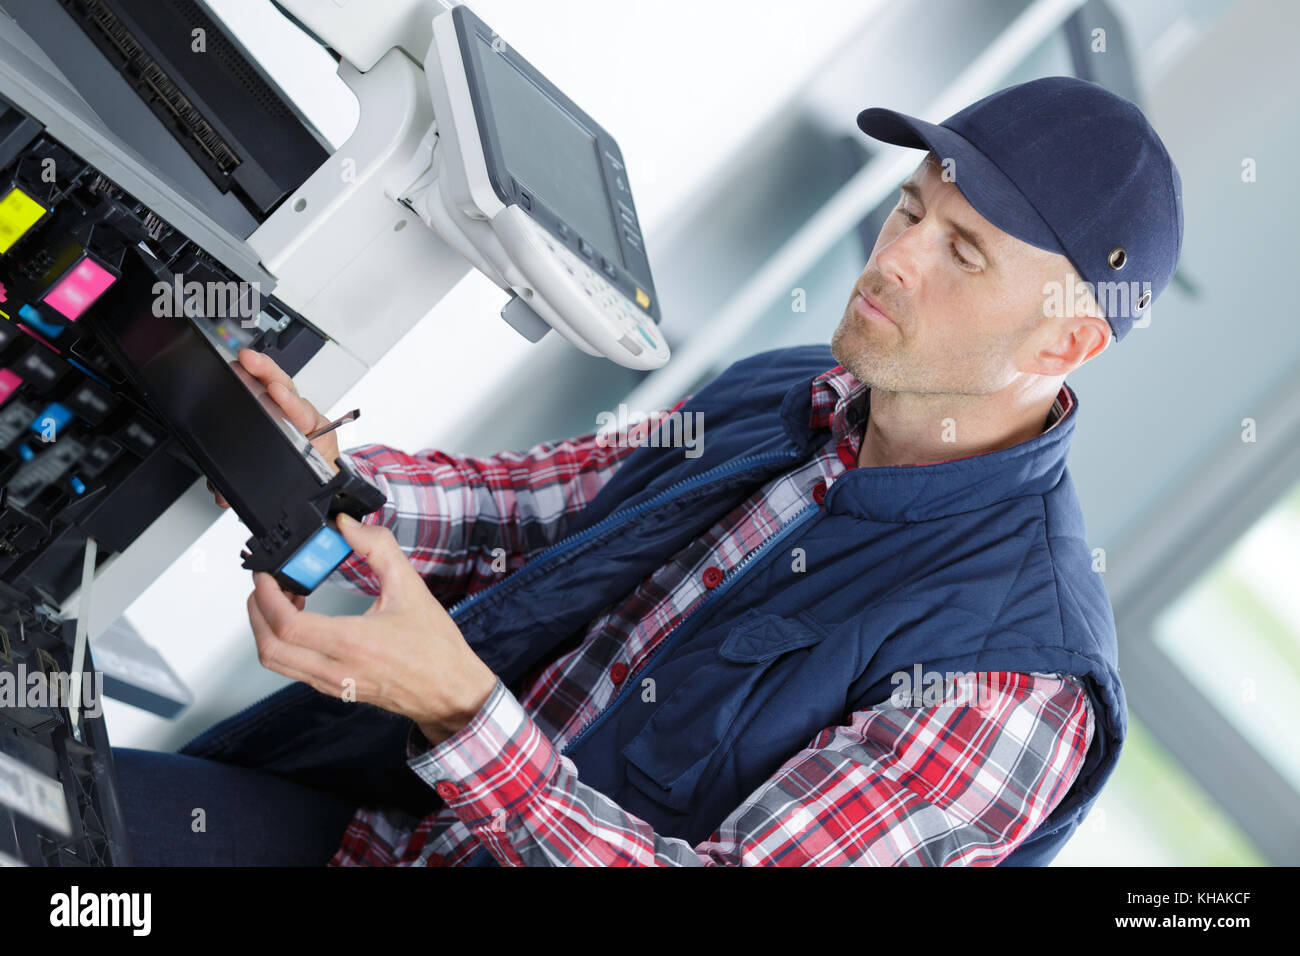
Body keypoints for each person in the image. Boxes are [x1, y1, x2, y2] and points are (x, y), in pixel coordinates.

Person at [116, 74, 1183, 866]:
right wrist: (321, 477)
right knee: (50, 817)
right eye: (912, 209)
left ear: (1066, 340)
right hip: (393, 836)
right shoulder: (793, 391)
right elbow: (537, 512)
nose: (895, 256)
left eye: (964, 253)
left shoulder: (1014, 680)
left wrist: (460, 708)